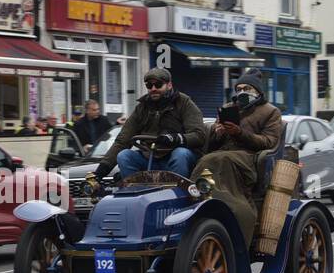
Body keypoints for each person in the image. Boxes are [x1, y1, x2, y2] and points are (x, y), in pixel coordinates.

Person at [190, 72, 283, 244]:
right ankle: (199, 197)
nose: (241, 92)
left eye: (246, 88)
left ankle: (239, 210)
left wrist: (239, 133)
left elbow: (269, 141)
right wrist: (218, 132)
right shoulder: (228, 108)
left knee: (217, 159)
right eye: (238, 89)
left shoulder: (271, 112)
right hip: (225, 153)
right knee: (207, 158)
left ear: (257, 90)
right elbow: (214, 141)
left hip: (250, 157)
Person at [92, 68, 206, 181]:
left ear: (169, 85)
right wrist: (100, 172)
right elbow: (122, 140)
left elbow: (199, 135)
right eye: (149, 86)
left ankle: (178, 193)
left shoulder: (184, 103)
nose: (153, 89)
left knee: (180, 153)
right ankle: (134, 192)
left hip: (176, 159)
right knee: (124, 155)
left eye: (158, 85)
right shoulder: (142, 108)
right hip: (149, 159)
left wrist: (176, 138)